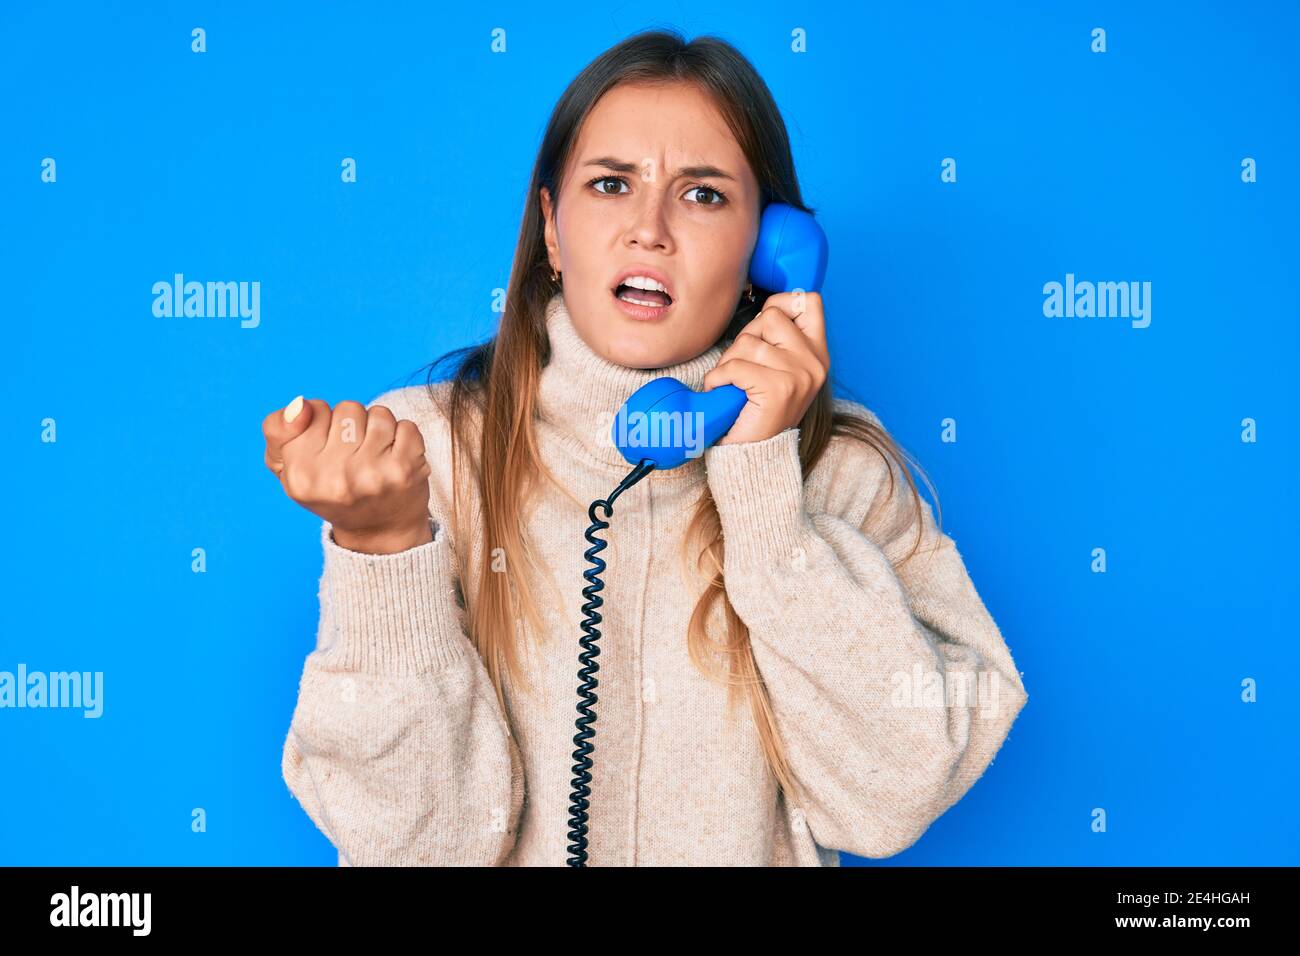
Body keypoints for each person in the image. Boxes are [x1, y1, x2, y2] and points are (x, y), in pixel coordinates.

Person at [263, 28, 1028, 867]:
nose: (649, 230)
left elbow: (892, 798)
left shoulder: (841, 472)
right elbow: (417, 851)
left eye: (702, 196)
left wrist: (763, 489)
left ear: (767, 254)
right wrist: (384, 551)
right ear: (552, 231)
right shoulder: (428, 451)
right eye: (610, 184)